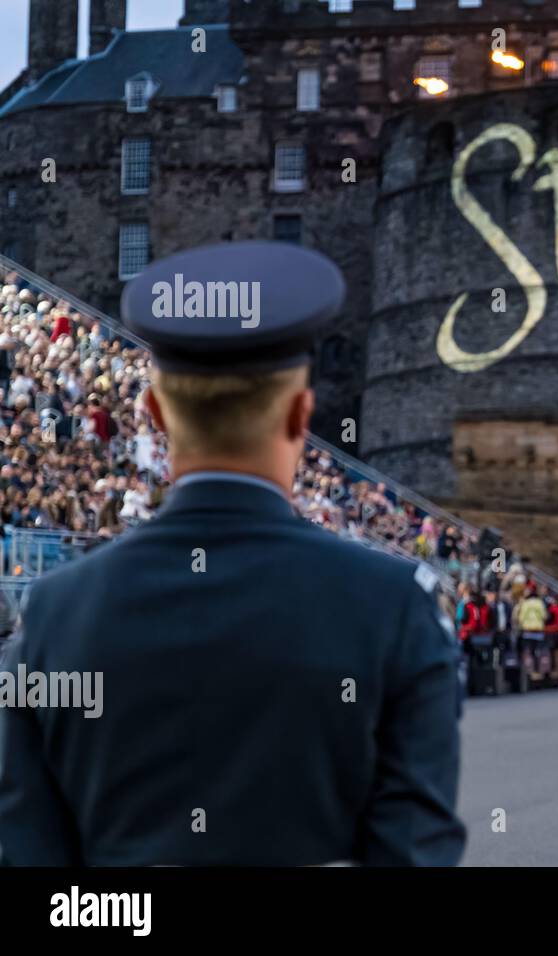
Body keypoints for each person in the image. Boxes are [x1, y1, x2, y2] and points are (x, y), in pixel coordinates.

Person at [0, 240, 466, 866]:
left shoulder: (54, 612)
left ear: (155, 414)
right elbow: (413, 852)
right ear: (302, 414)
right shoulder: (394, 608)